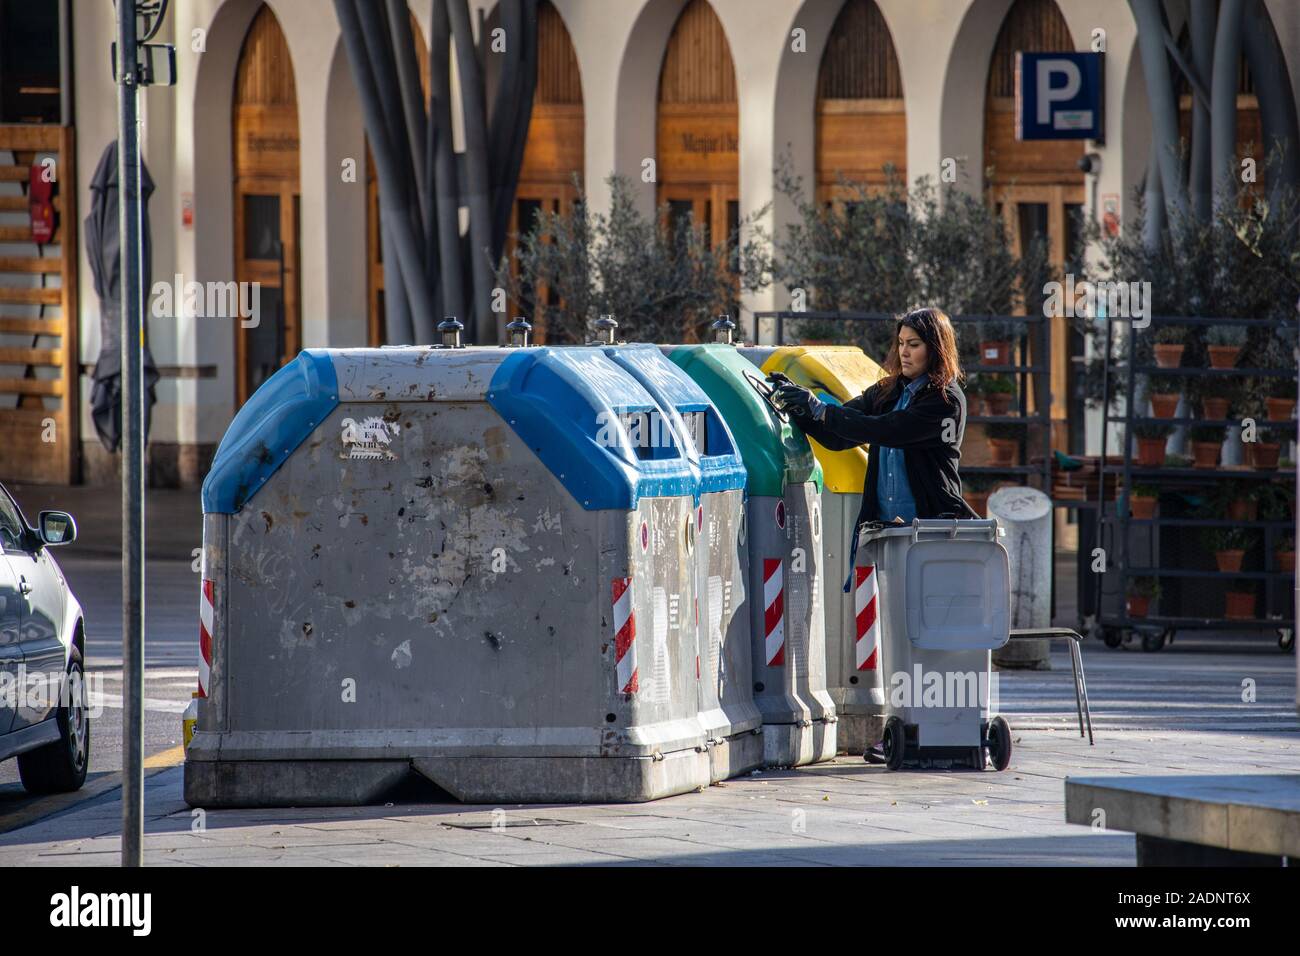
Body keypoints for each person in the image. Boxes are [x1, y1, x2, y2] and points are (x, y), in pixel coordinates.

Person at [771, 305, 978, 558]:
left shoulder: (946, 400)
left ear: (936, 349)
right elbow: (837, 436)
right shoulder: (888, 391)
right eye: (901, 343)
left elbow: (889, 429)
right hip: (887, 532)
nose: (904, 352)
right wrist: (799, 408)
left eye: (914, 344)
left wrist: (819, 409)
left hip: (932, 529)